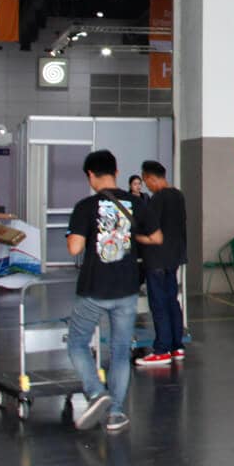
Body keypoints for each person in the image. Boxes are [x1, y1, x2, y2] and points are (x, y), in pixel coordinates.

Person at [65, 149, 160, 434]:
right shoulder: (137, 203)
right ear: (117, 173)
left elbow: (75, 248)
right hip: (127, 289)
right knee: (120, 352)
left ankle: (96, 392)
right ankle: (116, 414)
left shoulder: (85, 206)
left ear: (90, 176)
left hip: (95, 288)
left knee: (77, 343)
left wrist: (75, 234)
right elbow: (156, 237)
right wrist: (131, 236)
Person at [135, 160, 188, 367]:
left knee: (159, 305)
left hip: (156, 259)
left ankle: (161, 349)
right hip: (174, 258)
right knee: (172, 301)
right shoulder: (178, 196)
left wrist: (136, 237)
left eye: (146, 180)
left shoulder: (157, 200)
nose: (146, 185)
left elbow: (152, 232)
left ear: (150, 177)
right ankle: (177, 346)